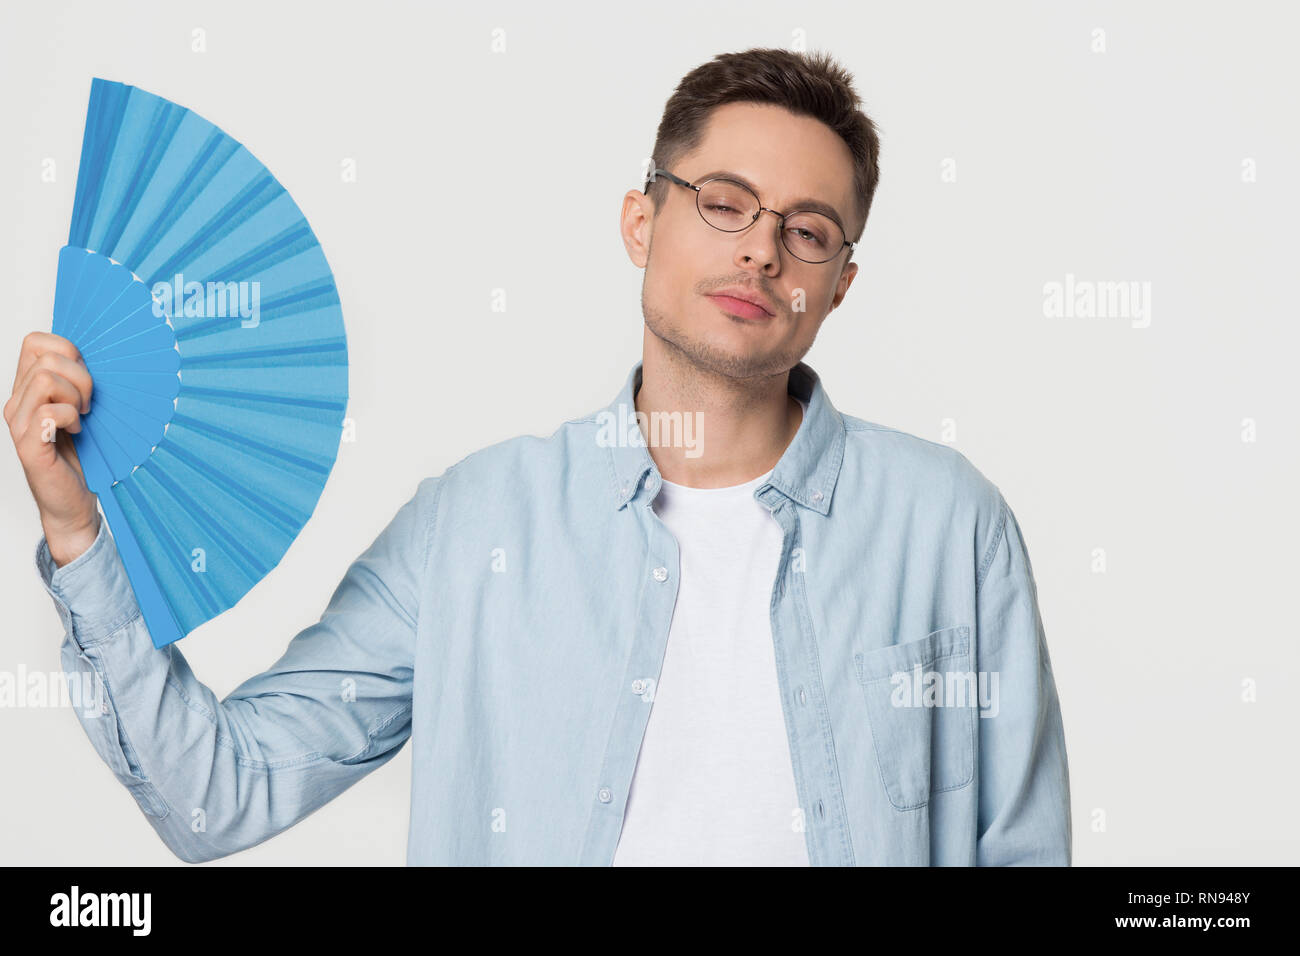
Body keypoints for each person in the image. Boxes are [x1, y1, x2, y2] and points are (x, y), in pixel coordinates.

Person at [7, 47, 1070, 865]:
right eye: (725, 202)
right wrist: (75, 531)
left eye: (806, 230)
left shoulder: (949, 525)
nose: (758, 247)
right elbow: (216, 794)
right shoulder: (474, 525)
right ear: (639, 223)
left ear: (839, 281)